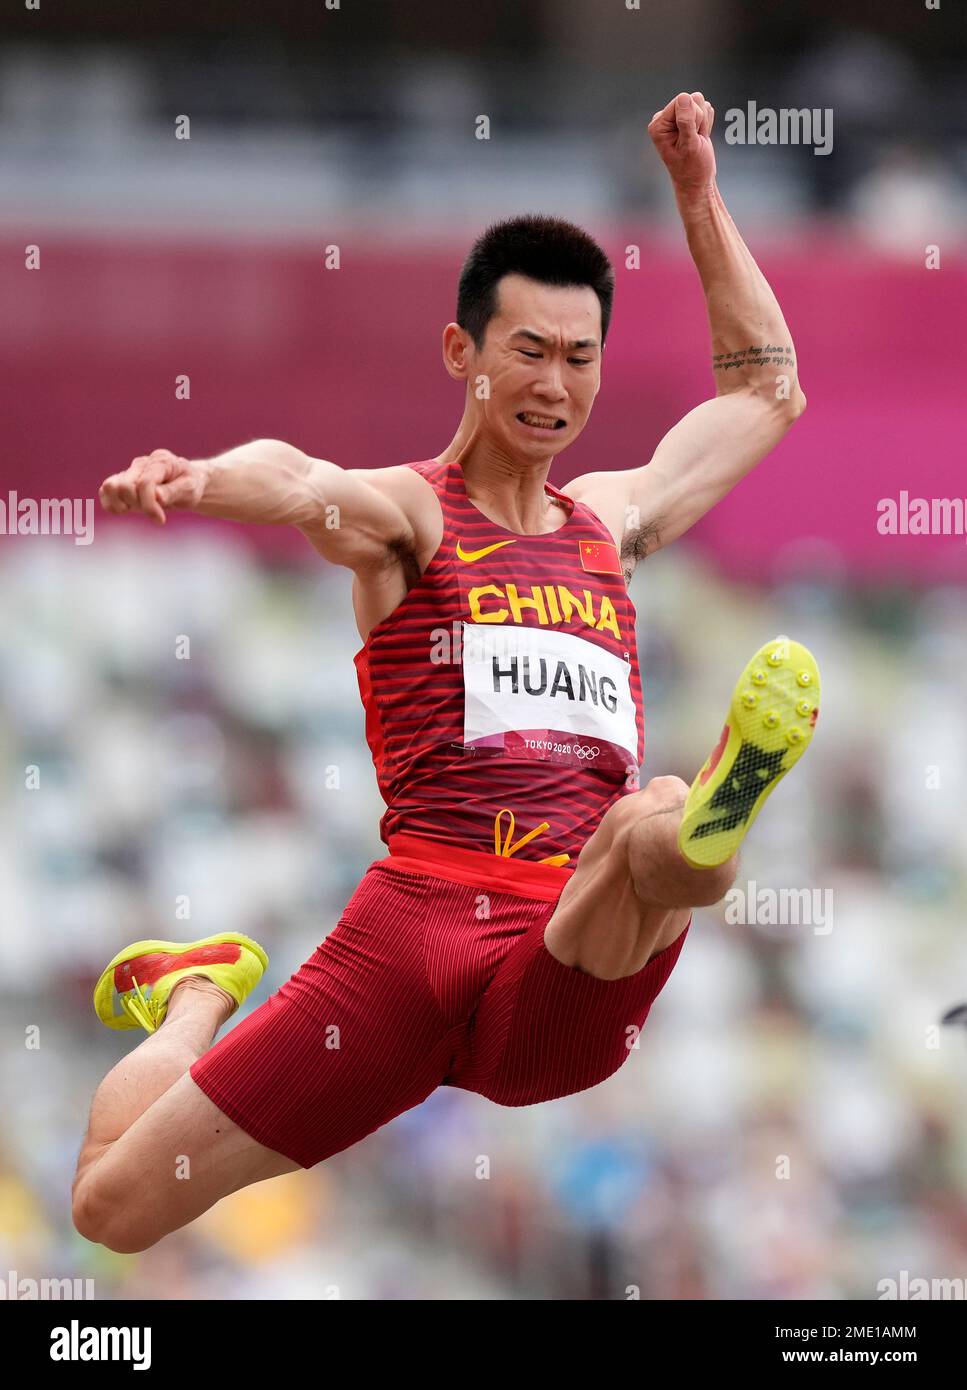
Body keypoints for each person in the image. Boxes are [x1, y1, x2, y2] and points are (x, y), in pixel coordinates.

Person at [73, 91, 818, 1254]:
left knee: (648, 824)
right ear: (461, 352)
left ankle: (720, 800)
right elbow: (295, 475)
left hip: (561, 943)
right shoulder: (408, 515)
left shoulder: (610, 521)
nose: (554, 384)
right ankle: (201, 990)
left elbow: (766, 391)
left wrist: (697, 195)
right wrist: (198, 473)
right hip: (410, 933)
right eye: (526, 351)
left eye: (580, 358)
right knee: (112, 1207)